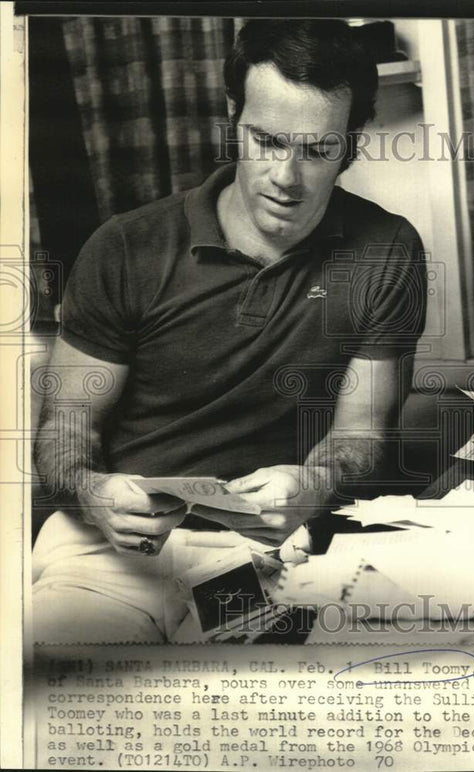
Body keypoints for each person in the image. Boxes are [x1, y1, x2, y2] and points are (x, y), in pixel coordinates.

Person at [32, 19, 427, 643]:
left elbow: (361, 431)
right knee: (65, 698)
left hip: (255, 552)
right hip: (104, 553)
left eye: (318, 150)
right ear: (231, 117)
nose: (286, 178)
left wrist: (314, 484)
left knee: (253, 715)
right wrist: (90, 491)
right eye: (267, 140)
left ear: (351, 145)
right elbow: (67, 426)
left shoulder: (388, 250)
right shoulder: (125, 246)